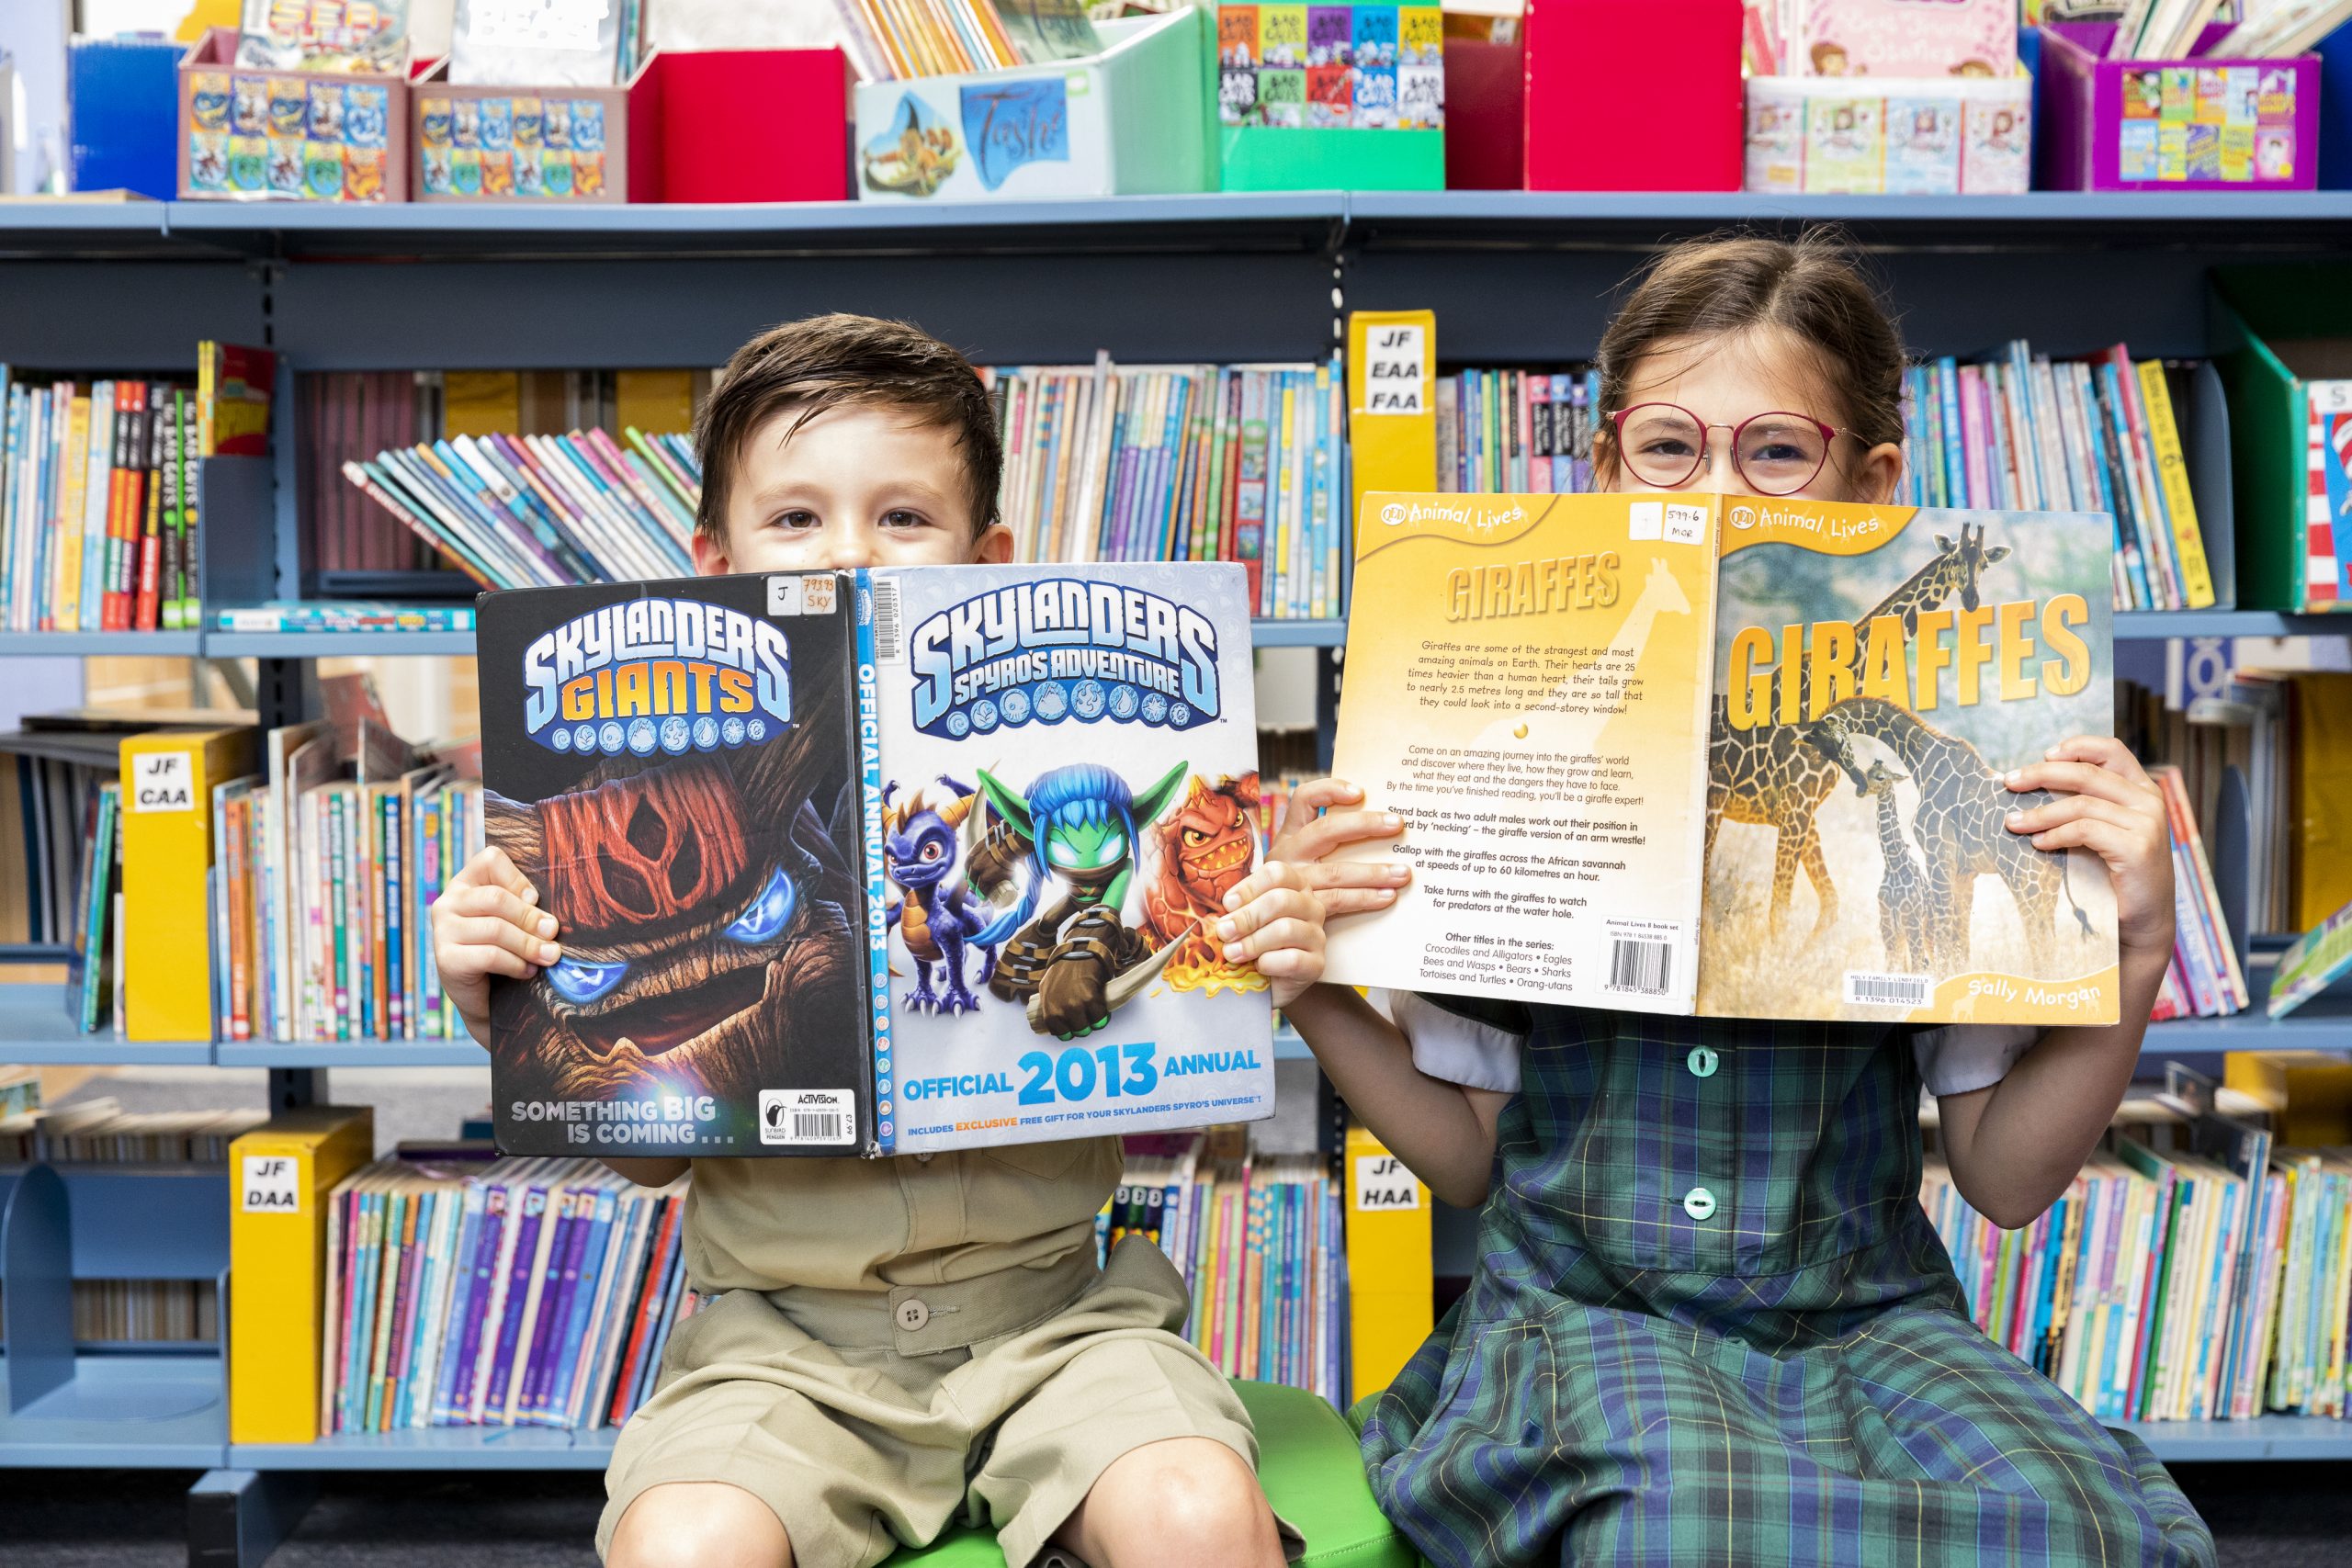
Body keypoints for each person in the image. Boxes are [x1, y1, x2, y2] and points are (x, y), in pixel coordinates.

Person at [1224, 234, 2220, 1568]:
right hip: (1582, 1323)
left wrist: (2138, 947)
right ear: (1606, 466)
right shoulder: (1518, 739)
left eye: (1778, 452)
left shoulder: (1936, 758)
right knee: (1682, 1532)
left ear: (1873, 486)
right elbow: (1466, 1159)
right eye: (1669, 447)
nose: (1717, 496)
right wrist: (1311, 992)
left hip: (1870, 1323)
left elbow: (2004, 1180)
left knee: (2093, 1531)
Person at [429, 314, 1329, 1568]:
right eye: (795, 517)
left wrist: (1251, 945)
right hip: (781, 1358)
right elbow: (648, 1154)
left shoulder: (1032, 777)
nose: (850, 550)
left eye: (903, 516)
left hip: (1066, 1329)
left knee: (1198, 1515)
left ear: (986, 558)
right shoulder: (655, 788)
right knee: (684, 1545)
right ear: (714, 564)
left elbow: (1154, 1011)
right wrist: (508, 1007)